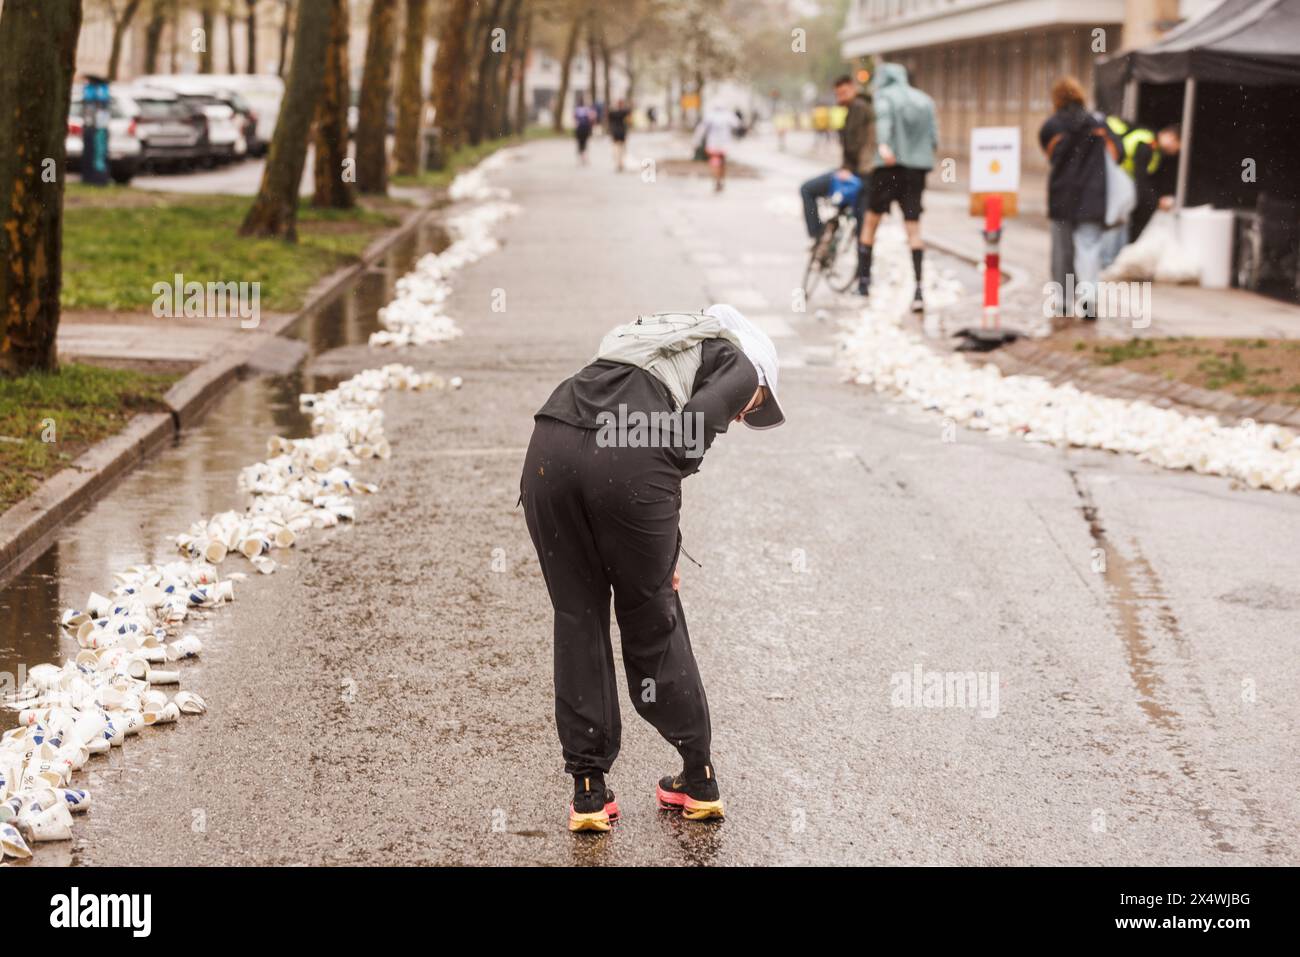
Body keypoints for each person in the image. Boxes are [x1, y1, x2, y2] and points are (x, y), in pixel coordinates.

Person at [520, 305, 786, 832]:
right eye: (753, 406)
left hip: (549, 447)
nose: (741, 415)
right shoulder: (743, 362)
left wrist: (665, 538)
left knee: (577, 615)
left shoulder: (652, 341)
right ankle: (699, 778)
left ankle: (589, 791)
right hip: (626, 464)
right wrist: (662, 553)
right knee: (650, 613)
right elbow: (683, 438)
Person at [857, 63, 938, 310]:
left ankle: (864, 284)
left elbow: (884, 123)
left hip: (888, 167)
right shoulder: (925, 101)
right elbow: (934, 138)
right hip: (916, 170)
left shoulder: (884, 97)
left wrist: (884, 146)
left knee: (871, 222)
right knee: (913, 229)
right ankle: (918, 290)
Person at [1038, 77, 1112, 320]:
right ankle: (1089, 297)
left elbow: (1049, 154)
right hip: (1093, 194)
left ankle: (1062, 300)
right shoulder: (1099, 123)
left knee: (1062, 251)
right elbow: (1115, 153)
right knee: (1089, 247)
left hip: (1063, 194)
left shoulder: (1051, 126)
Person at [799, 74, 874, 280]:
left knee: (807, 189)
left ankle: (818, 233)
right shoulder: (858, 107)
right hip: (860, 173)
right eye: (837, 94)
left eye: (843, 92)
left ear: (853, 89)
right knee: (861, 225)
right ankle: (863, 279)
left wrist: (847, 169)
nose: (840, 97)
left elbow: (855, 144)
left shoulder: (858, 108)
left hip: (858, 174)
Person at [693, 105, 740, 192]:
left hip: (713, 144)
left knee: (714, 162)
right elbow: (737, 124)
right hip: (724, 144)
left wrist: (696, 142)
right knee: (722, 163)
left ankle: (716, 180)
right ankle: (720, 179)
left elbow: (701, 130)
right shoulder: (728, 115)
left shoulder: (709, 116)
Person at [608, 98, 632, 172]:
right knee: (621, 148)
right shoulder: (624, 112)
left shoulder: (613, 113)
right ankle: (620, 162)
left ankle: (618, 162)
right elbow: (629, 120)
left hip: (615, 132)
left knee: (617, 148)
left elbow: (609, 120)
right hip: (622, 132)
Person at [574, 95, 595, 165]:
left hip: (579, 129)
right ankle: (585, 158)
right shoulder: (587, 109)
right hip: (585, 128)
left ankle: (580, 159)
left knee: (579, 144)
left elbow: (575, 120)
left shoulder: (577, 109)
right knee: (585, 143)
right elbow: (591, 118)